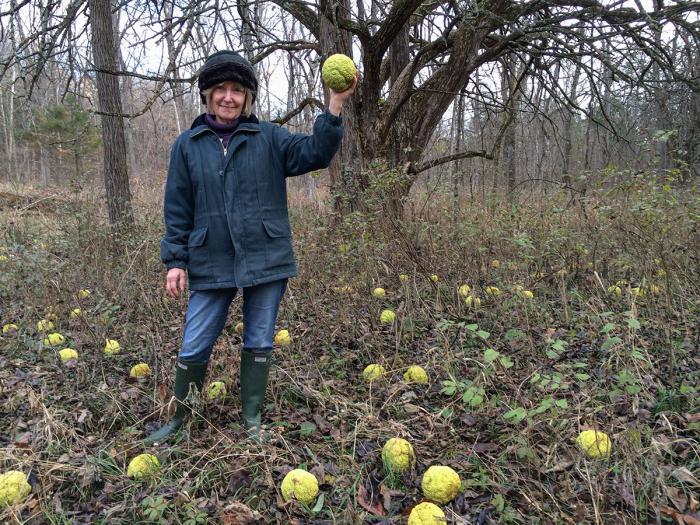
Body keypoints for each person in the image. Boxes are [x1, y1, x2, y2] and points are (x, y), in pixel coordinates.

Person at [144, 50, 356, 444]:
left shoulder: (270, 138)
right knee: (195, 340)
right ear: (207, 95)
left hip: (266, 255)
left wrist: (335, 104)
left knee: (259, 338)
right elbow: (177, 208)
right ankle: (179, 421)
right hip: (210, 257)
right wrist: (175, 260)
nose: (228, 97)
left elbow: (317, 153)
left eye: (237, 90)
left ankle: (252, 417)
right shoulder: (187, 145)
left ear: (248, 97)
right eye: (220, 89)